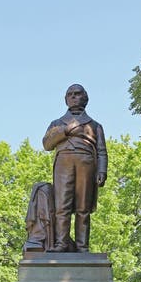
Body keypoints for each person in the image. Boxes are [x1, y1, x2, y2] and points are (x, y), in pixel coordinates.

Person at [42, 84, 108, 252]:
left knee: (83, 207)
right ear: (65, 100)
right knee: (61, 206)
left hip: (86, 164)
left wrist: (102, 170)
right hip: (63, 164)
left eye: (77, 94)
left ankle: (82, 246)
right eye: (70, 94)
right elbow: (47, 144)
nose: (73, 97)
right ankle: (61, 244)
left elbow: (101, 151)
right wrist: (65, 130)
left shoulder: (94, 125)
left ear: (84, 98)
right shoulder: (56, 123)